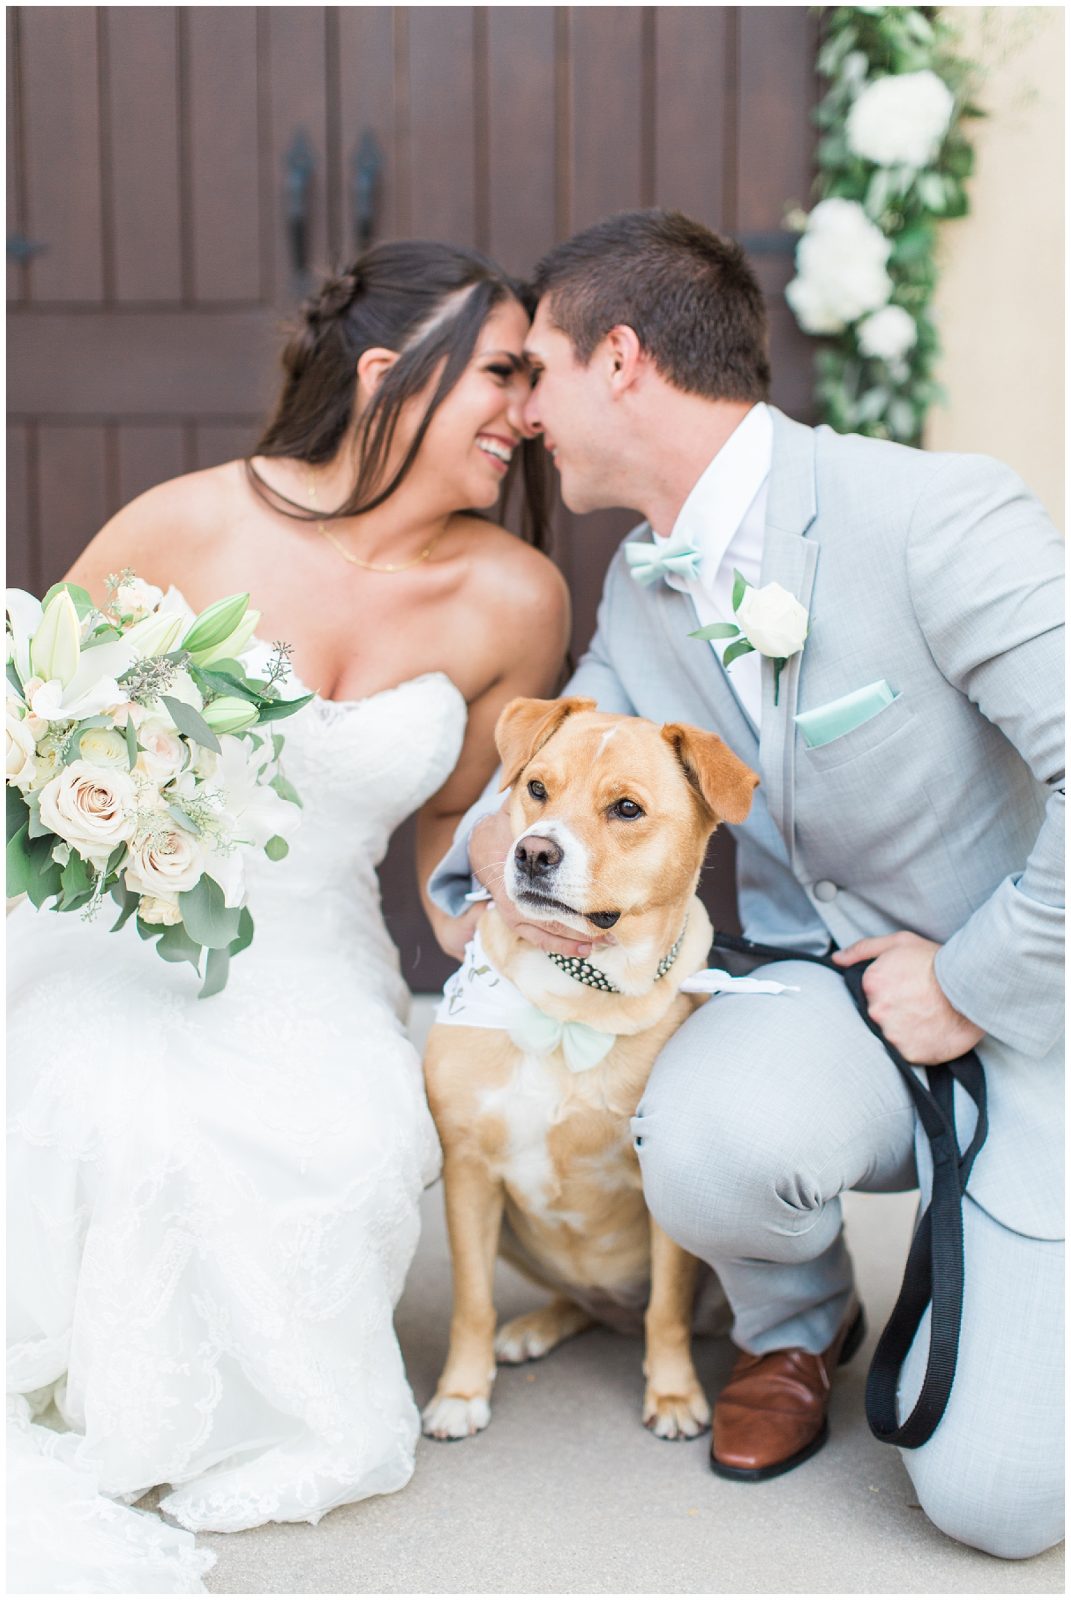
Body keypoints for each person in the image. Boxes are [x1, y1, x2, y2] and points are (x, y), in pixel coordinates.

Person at [430, 210, 1064, 1561]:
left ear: (618, 361)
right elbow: (529, 785)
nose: (522, 411)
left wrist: (970, 981)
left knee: (999, 1506)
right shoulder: (645, 591)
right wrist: (496, 867)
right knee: (701, 1126)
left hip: (1030, 1002)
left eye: (531, 370)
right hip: (828, 1003)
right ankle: (793, 1323)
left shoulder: (937, 516)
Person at [7, 240, 570, 1589]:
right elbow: (40, 724)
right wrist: (106, 830)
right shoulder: (189, 521)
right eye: (502, 371)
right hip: (121, 923)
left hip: (311, 948)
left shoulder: (516, 596)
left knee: (351, 1139)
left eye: (535, 381)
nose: (527, 410)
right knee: (102, 1103)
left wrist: (502, 929)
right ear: (387, 375)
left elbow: (457, 825)